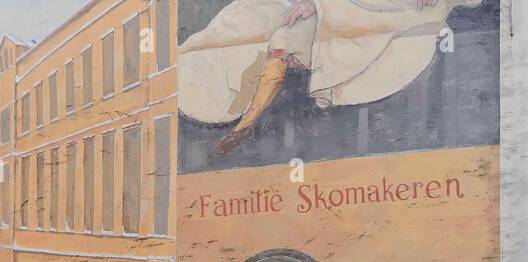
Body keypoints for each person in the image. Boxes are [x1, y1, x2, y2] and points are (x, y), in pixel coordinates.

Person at [179, 0, 483, 154]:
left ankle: (245, 125)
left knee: (285, 39)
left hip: (367, 14)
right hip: (325, 9)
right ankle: (243, 120)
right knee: (251, 24)